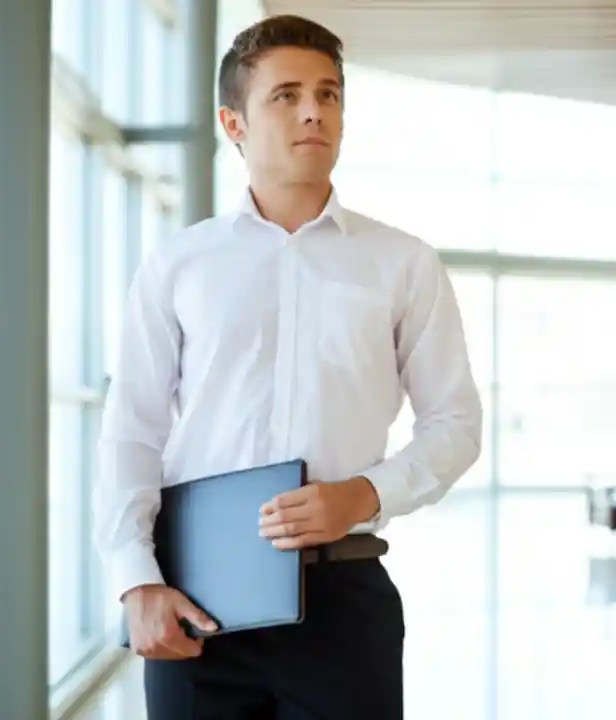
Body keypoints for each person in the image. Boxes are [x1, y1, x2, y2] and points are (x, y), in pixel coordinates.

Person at [93, 13, 482, 720]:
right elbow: (131, 431)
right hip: (197, 597)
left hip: (343, 600)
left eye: (330, 94)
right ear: (233, 122)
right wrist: (135, 582)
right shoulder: (180, 264)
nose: (314, 110)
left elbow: (455, 424)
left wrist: (362, 494)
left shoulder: (403, 263)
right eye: (287, 94)